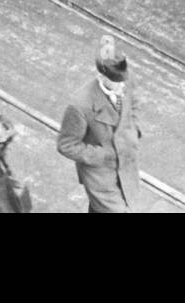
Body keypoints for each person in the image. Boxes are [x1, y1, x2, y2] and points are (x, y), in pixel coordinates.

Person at [57, 37, 142, 213]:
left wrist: (133, 131)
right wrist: (101, 155)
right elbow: (66, 145)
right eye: (115, 82)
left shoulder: (125, 77)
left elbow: (133, 103)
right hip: (100, 173)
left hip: (125, 161)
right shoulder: (80, 105)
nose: (121, 87)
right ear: (101, 76)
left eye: (123, 81)